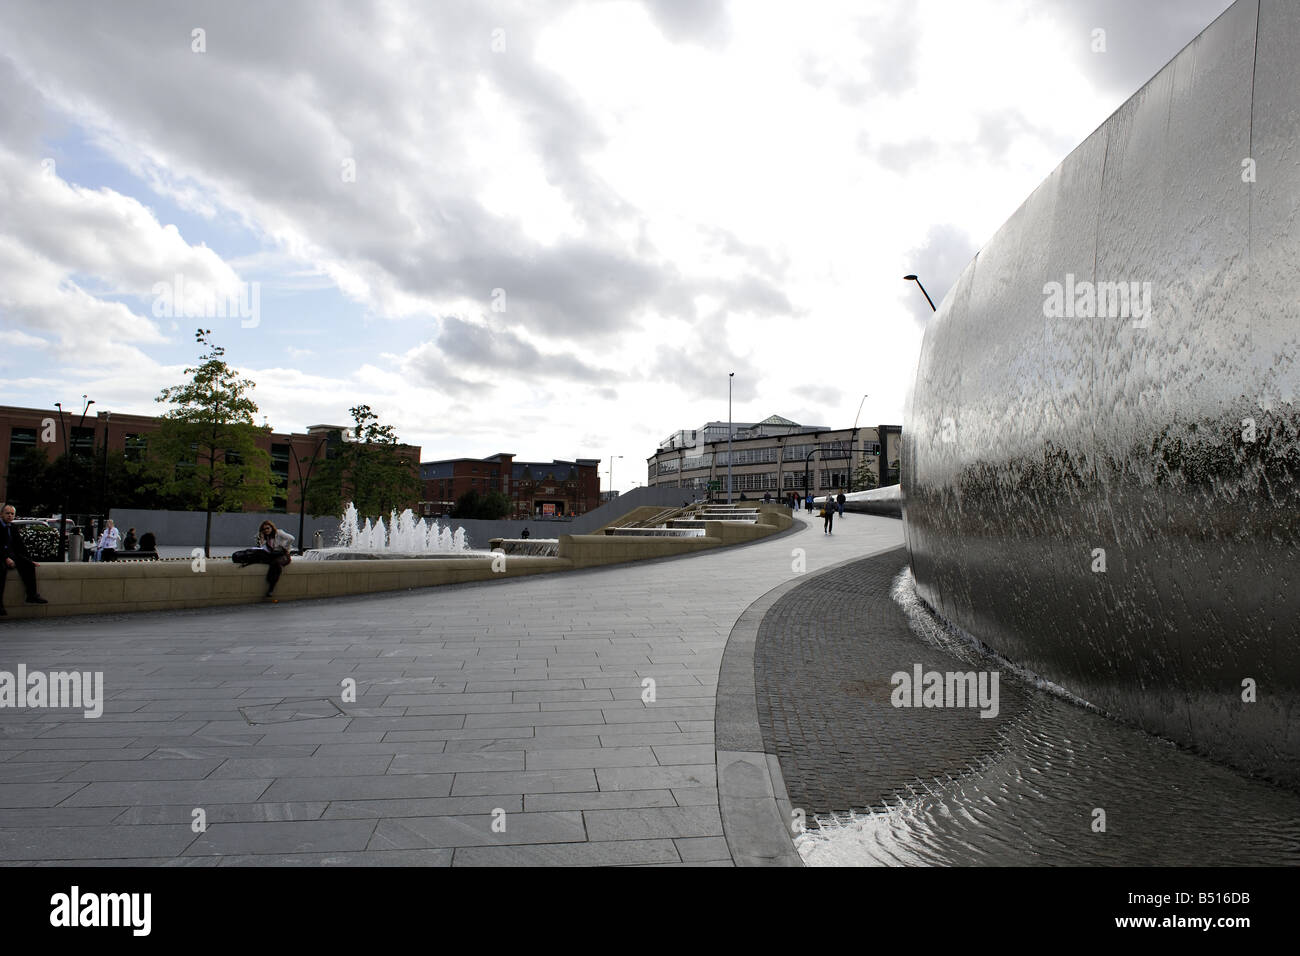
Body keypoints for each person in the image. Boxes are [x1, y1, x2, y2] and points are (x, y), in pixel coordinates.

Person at [0, 503, 48, 615]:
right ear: (1, 514)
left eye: (12, 514)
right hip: (1, 556)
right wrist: (6, 558)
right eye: (7, 513)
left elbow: (20, 547)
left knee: (29, 566)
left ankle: (32, 595)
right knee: (1, 571)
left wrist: (29, 560)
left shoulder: (12, 527)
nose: (10, 516)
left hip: (11, 556)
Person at [236, 520, 295, 601]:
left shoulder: (279, 532)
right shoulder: (265, 536)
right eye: (264, 529)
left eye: (268, 528)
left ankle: (271, 587)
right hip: (273, 555)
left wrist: (284, 546)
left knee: (276, 564)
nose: (266, 530)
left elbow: (291, 538)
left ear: (271, 527)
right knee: (261, 557)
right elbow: (262, 548)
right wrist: (262, 540)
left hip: (283, 555)